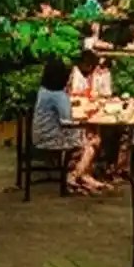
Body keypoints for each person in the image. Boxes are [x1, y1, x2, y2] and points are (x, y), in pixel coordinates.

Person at [33, 59, 105, 193]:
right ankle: (74, 176)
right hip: (52, 138)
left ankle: (84, 175)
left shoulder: (43, 91)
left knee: (86, 136)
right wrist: (86, 118)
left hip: (40, 134)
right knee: (93, 141)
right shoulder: (59, 96)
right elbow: (67, 121)